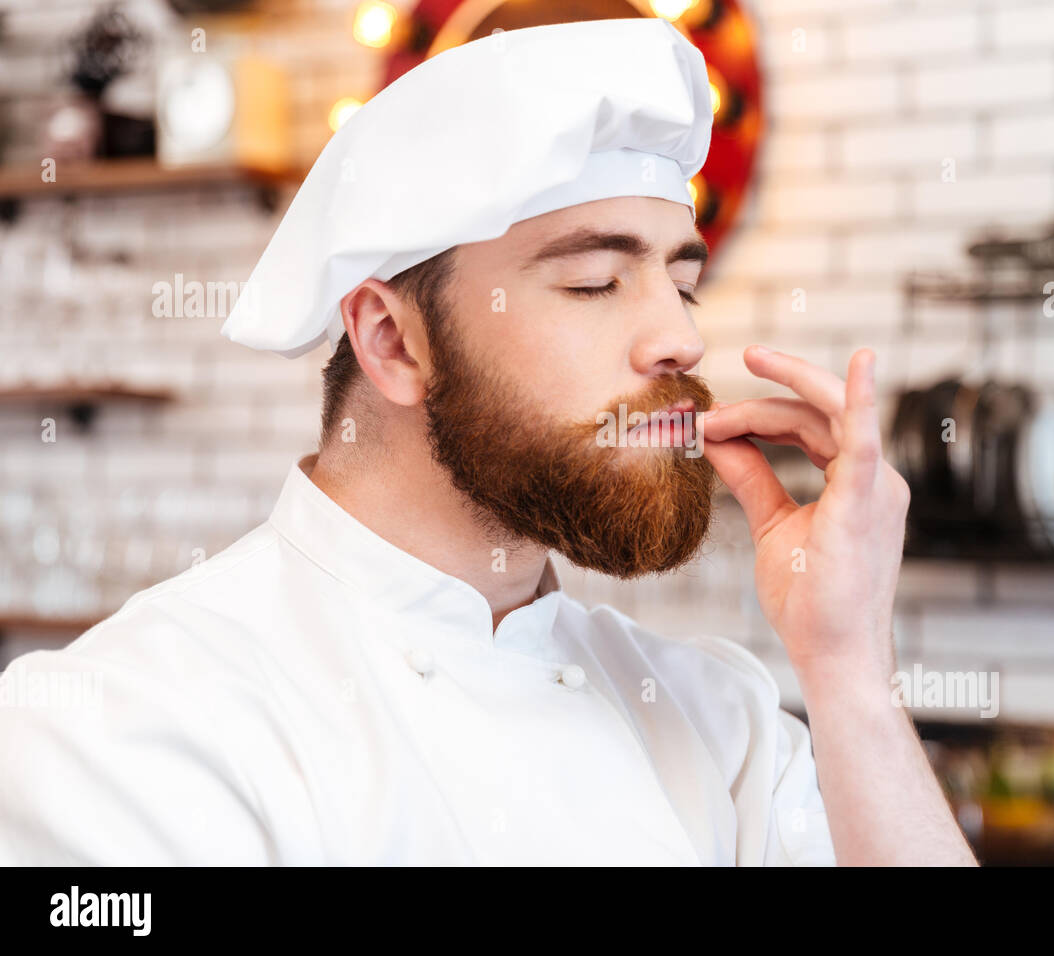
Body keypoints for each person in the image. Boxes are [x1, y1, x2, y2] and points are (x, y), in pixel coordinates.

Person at [0, 18, 975, 865]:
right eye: (595, 280)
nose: (683, 336)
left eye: (681, 279)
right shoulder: (127, 727)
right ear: (392, 340)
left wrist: (846, 661)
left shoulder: (721, 720)